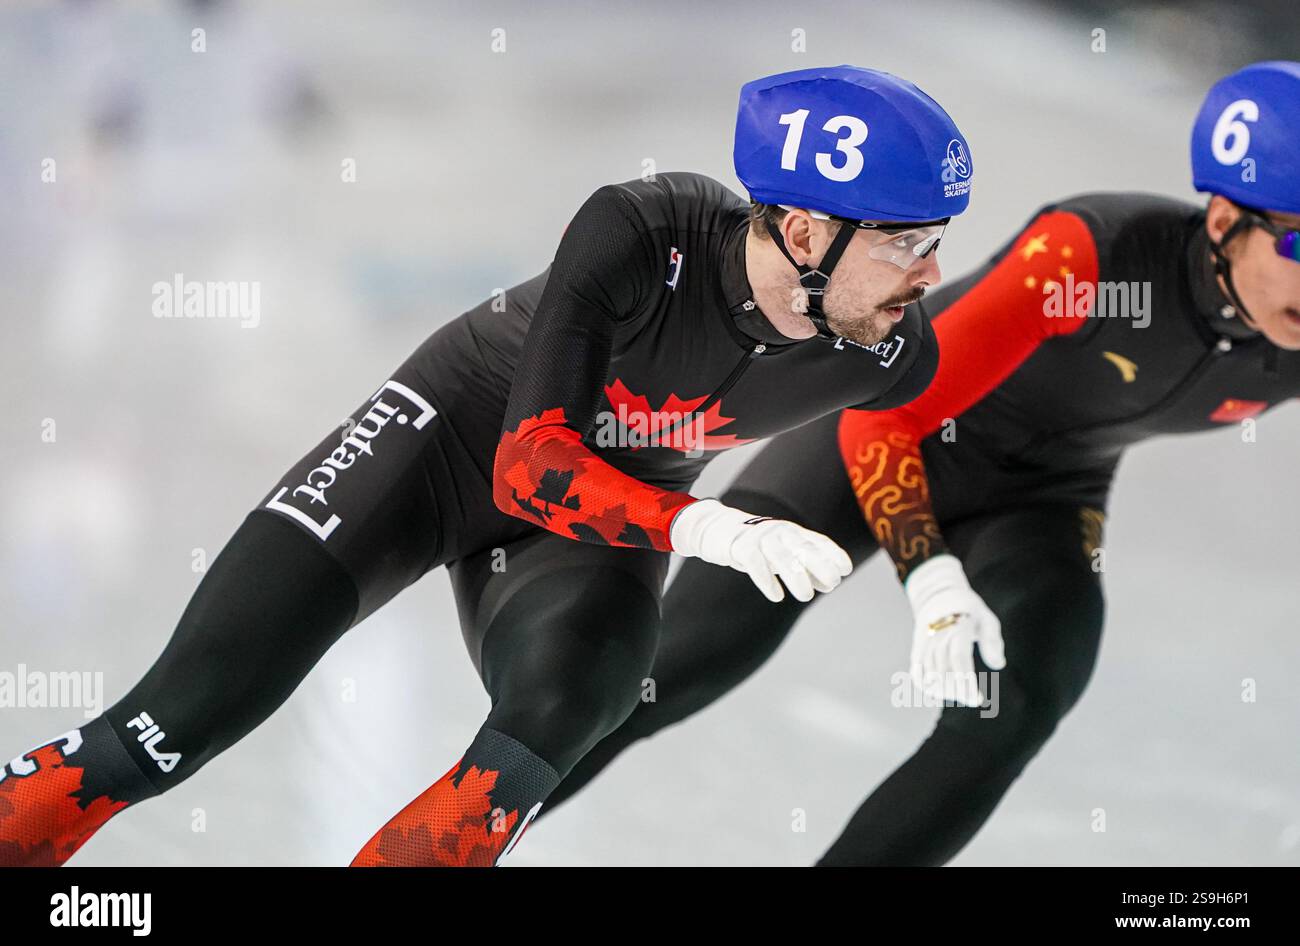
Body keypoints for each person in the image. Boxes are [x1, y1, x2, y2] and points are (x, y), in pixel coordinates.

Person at [0, 65, 975, 866]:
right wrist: (707, 525)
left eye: (938, 240)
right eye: (907, 239)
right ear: (804, 231)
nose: (930, 270)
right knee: (169, 724)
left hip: (595, 534)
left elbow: (898, 435)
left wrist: (930, 571)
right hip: (440, 450)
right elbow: (528, 464)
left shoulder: (890, 348)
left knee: (566, 711)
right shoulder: (644, 233)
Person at [539, 61, 1300, 865]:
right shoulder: (1091, 256)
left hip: (1044, 497)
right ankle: (438, 849)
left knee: (1020, 703)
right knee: (665, 674)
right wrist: (929, 575)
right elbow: (889, 411)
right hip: (878, 440)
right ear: (1222, 219)